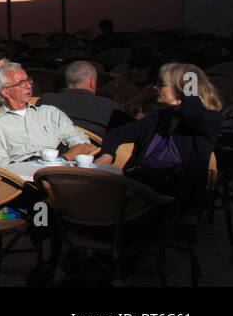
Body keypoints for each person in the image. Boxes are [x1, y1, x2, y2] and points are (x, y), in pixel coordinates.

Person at [96, 63, 224, 215]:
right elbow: (116, 133)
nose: (155, 87)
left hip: (174, 197)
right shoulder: (159, 118)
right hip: (140, 188)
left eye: (161, 84)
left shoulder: (206, 121)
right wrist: (107, 155)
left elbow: (192, 115)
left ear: (180, 90)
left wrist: (190, 80)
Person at [0, 63, 96, 167]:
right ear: (5, 92)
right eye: (21, 83)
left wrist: (62, 160)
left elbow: (82, 144)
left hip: (55, 170)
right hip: (19, 179)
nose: (29, 86)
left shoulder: (50, 113)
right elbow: (1, 165)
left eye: (28, 80)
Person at [39, 60, 128, 138]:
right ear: (92, 82)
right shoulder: (110, 107)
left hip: (53, 154)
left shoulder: (46, 100)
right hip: (95, 155)